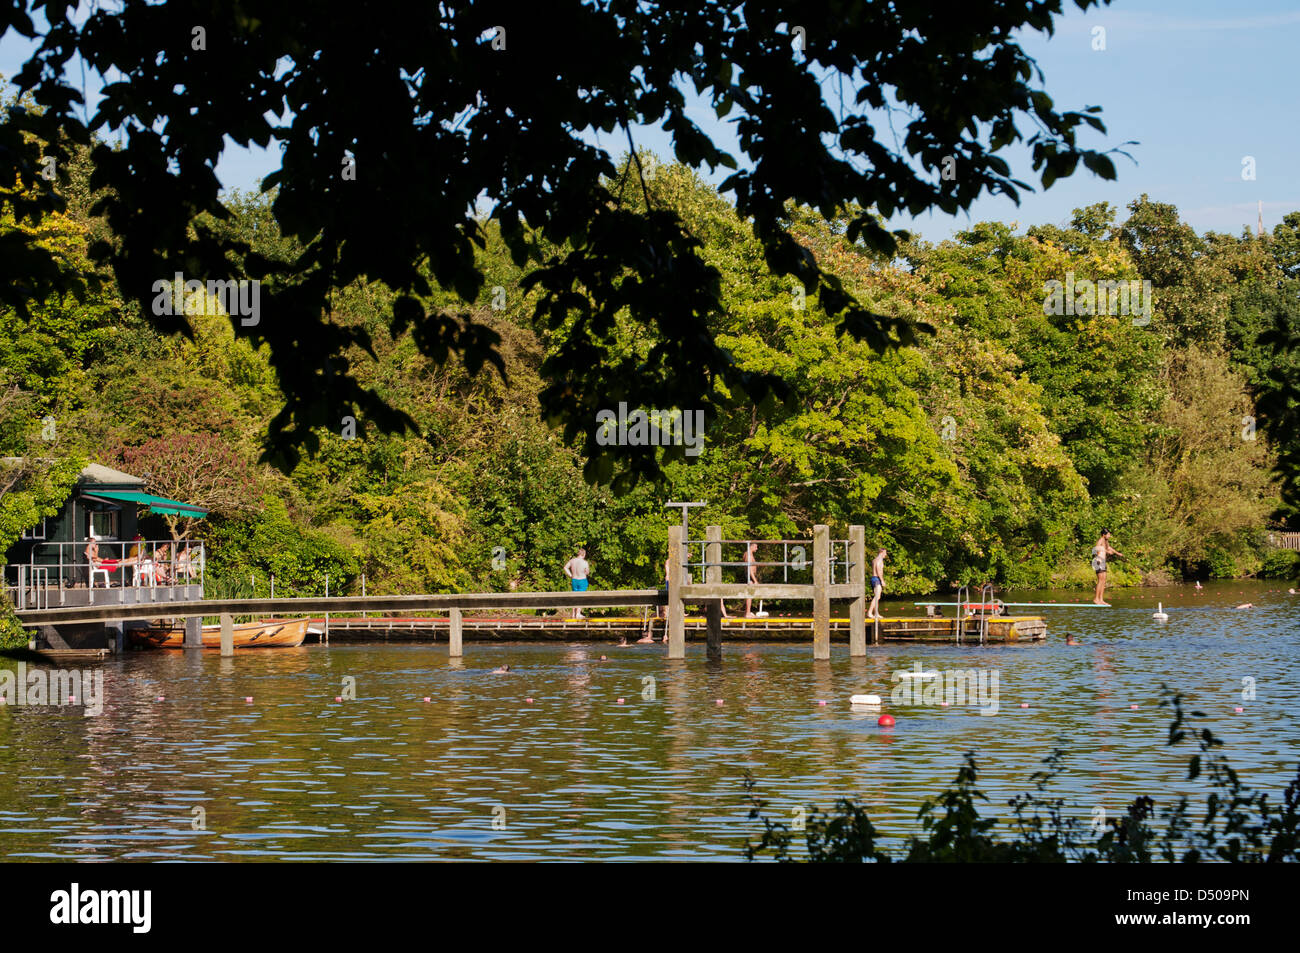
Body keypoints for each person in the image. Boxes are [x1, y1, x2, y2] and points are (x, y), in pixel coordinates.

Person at [1091, 531, 1123, 606]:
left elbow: (1109, 548)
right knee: (1100, 580)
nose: (1109, 536)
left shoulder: (1105, 542)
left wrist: (1117, 553)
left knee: (1103, 581)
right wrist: (1107, 551)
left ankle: (1101, 599)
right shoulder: (1100, 540)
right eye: (1108, 534)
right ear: (1103, 535)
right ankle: (1096, 599)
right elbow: (1096, 548)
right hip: (1098, 561)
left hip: (1103, 562)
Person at [563, 547, 590, 620]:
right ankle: (578, 614)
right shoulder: (585, 562)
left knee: (574, 596)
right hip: (582, 580)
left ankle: (573, 614)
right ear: (583, 554)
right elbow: (587, 572)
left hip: (574, 580)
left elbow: (565, 567)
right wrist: (585, 571)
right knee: (581, 597)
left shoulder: (572, 561)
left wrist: (570, 575)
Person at [867, 548, 887, 620]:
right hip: (877, 579)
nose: (886, 555)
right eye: (885, 553)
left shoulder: (874, 560)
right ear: (881, 552)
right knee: (877, 597)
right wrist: (882, 580)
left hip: (873, 579)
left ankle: (876, 613)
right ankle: (869, 612)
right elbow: (878, 571)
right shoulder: (879, 560)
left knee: (877, 597)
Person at [743, 542, 759, 618]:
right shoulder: (748, 554)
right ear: (751, 546)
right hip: (750, 576)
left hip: (750, 576)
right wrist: (755, 580)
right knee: (749, 594)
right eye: (756, 547)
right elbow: (749, 568)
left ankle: (747, 612)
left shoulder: (749, 554)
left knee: (750, 594)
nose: (757, 549)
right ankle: (747, 613)